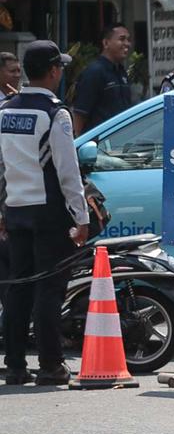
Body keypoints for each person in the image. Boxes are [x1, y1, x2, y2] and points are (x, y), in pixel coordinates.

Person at [0, 41, 90, 386]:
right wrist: (81, 218)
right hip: (50, 215)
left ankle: (15, 365)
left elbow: (2, 167)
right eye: (61, 68)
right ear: (53, 71)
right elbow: (68, 173)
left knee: (19, 290)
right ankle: (51, 364)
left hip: (16, 212)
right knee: (50, 289)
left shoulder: (6, 110)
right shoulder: (56, 114)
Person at [71, 23, 133, 136]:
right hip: (98, 145)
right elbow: (80, 114)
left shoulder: (121, 72)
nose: (127, 44)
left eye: (128, 40)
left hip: (120, 142)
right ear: (106, 43)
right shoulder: (94, 72)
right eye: (122, 39)